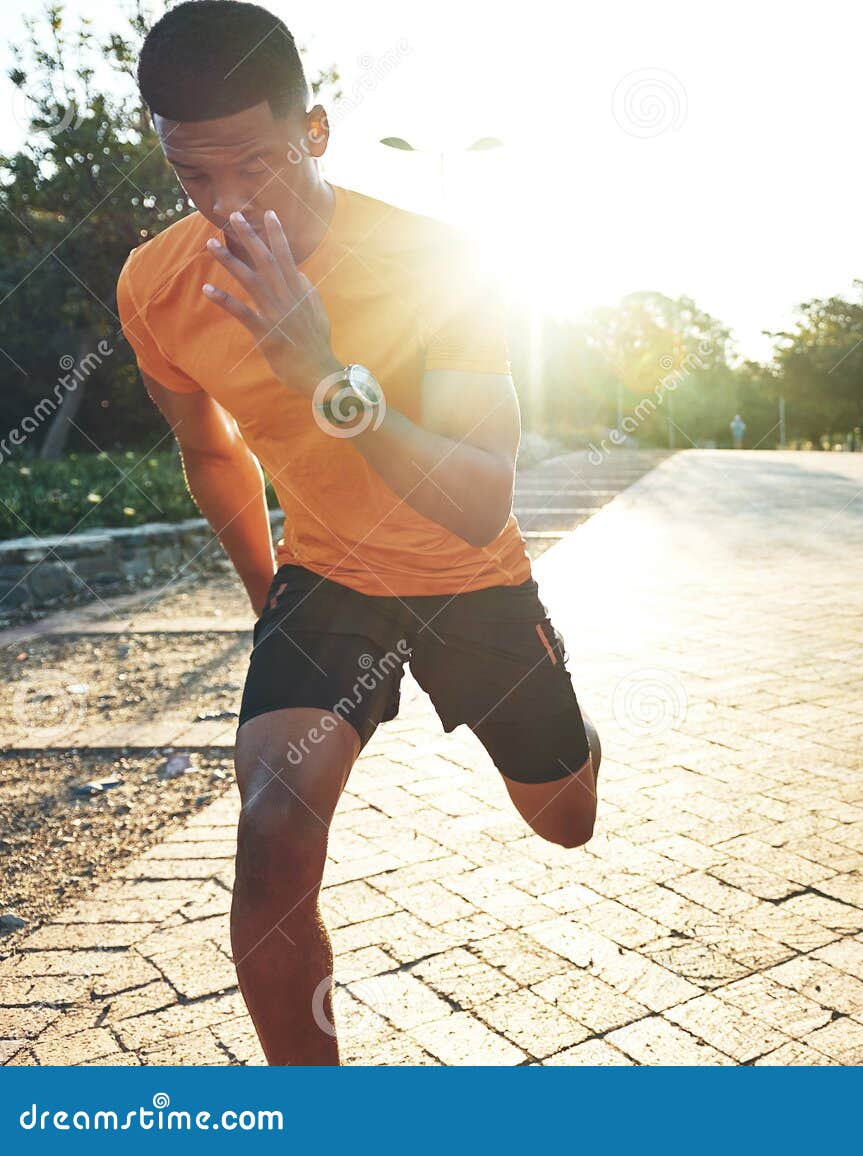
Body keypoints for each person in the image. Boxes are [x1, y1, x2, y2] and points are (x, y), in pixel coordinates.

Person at [116, 0, 600, 1065]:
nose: (226, 204)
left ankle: (564, 714)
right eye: (193, 176)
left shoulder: (438, 262)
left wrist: (320, 371)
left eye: (255, 165)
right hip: (328, 577)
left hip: (470, 575)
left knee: (567, 819)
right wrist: (270, 604)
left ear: (316, 131)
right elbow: (210, 451)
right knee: (272, 832)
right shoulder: (156, 285)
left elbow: (479, 498)